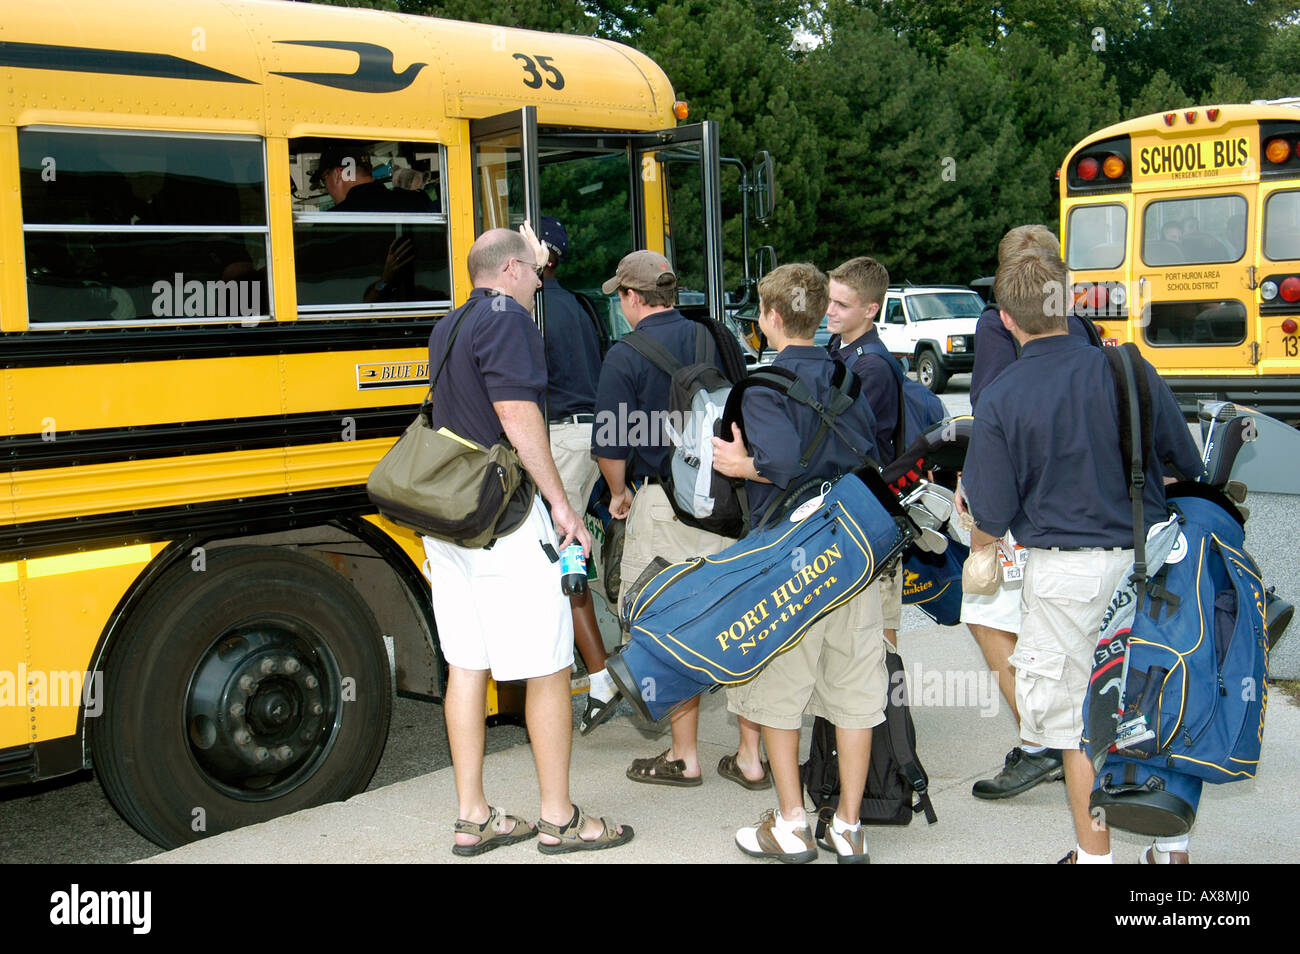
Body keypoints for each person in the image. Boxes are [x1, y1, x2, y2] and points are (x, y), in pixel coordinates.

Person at [961, 249, 1203, 864]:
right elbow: (1188, 464)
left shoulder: (1001, 395)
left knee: (1077, 727)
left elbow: (989, 514)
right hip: (1152, 565)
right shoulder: (1128, 369)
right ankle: (1172, 856)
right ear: (1070, 304)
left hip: (1065, 576)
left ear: (1007, 322)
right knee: (1155, 701)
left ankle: (1094, 859)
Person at [422, 225, 633, 856]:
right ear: (511, 270)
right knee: (547, 667)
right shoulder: (508, 321)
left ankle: (473, 816)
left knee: (466, 665)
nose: (540, 281)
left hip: (450, 523)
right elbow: (518, 417)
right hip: (506, 523)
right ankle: (559, 818)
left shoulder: (449, 324)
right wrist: (563, 506)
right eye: (534, 272)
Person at [713, 263, 885, 864]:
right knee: (855, 696)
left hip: (790, 564)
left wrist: (740, 467)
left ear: (772, 319)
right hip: (852, 555)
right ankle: (848, 825)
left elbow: (783, 461)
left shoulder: (762, 388)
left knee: (778, 696)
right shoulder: (848, 376)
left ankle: (791, 823)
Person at [591, 250, 767, 789]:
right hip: (727, 503)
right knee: (740, 624)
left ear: (631, 298)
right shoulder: (713, 335)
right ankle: (751, 756)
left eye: (619, 295)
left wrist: (619, 494)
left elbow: (611, 444)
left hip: (665, 506)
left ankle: (684, 755)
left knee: (669, 624)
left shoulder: (623, 356)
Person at [962, 225, 1100, 800]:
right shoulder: (1085, 327)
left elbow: (990, 405)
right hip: (1095, 503)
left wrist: (981, 522)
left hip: (1025, 503)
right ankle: (1076, 734)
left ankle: (1045, 739)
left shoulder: (998, 325)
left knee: (986, 610)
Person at [537, 216, 621, 733]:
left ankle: (598, 679)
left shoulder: (535, 308)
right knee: (568, 560)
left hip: (561, 441)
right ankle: (599, 676)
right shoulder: (581, 304)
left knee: (555, 569)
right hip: (589, 438)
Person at [825, 256, 904, 648]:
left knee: (878, 626)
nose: (829, 310)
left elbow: (852, 442)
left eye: (841, 305)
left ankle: (893, 709)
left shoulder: (871, 365)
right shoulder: (837, 349)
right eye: (829, 300)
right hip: (848, 506)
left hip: (872, 506)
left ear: (871, 309)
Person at [313, 144, 437, 213]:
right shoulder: (416, 200)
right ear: (370, 169)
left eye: (324, 180)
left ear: (338, 174)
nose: (327, 188)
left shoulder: (331, 221)